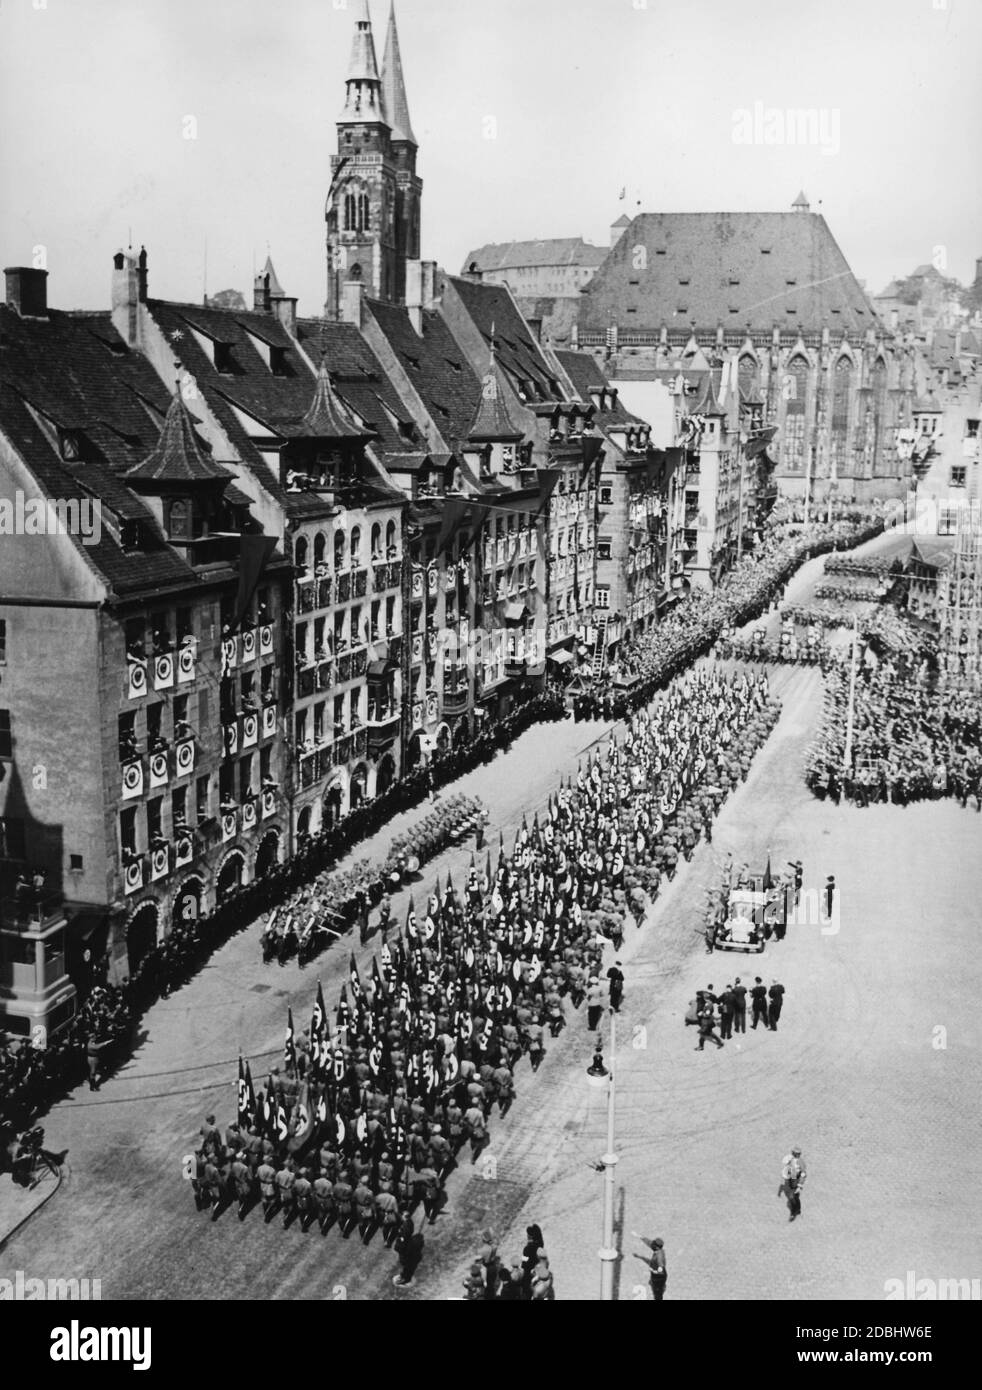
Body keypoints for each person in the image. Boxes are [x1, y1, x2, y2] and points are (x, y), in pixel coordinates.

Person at [781, 1145, 807, 1222]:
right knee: (795, 1196)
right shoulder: (791, 1159)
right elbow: (788, 1166)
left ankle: (793, 1212)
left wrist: (800, 1185)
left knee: (792, 1196)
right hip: (791, 1178)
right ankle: (798, 1210)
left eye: (795, 1153)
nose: (794, 1154)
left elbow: (803, 1174)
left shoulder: (800, 1162)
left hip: (796, 1180)